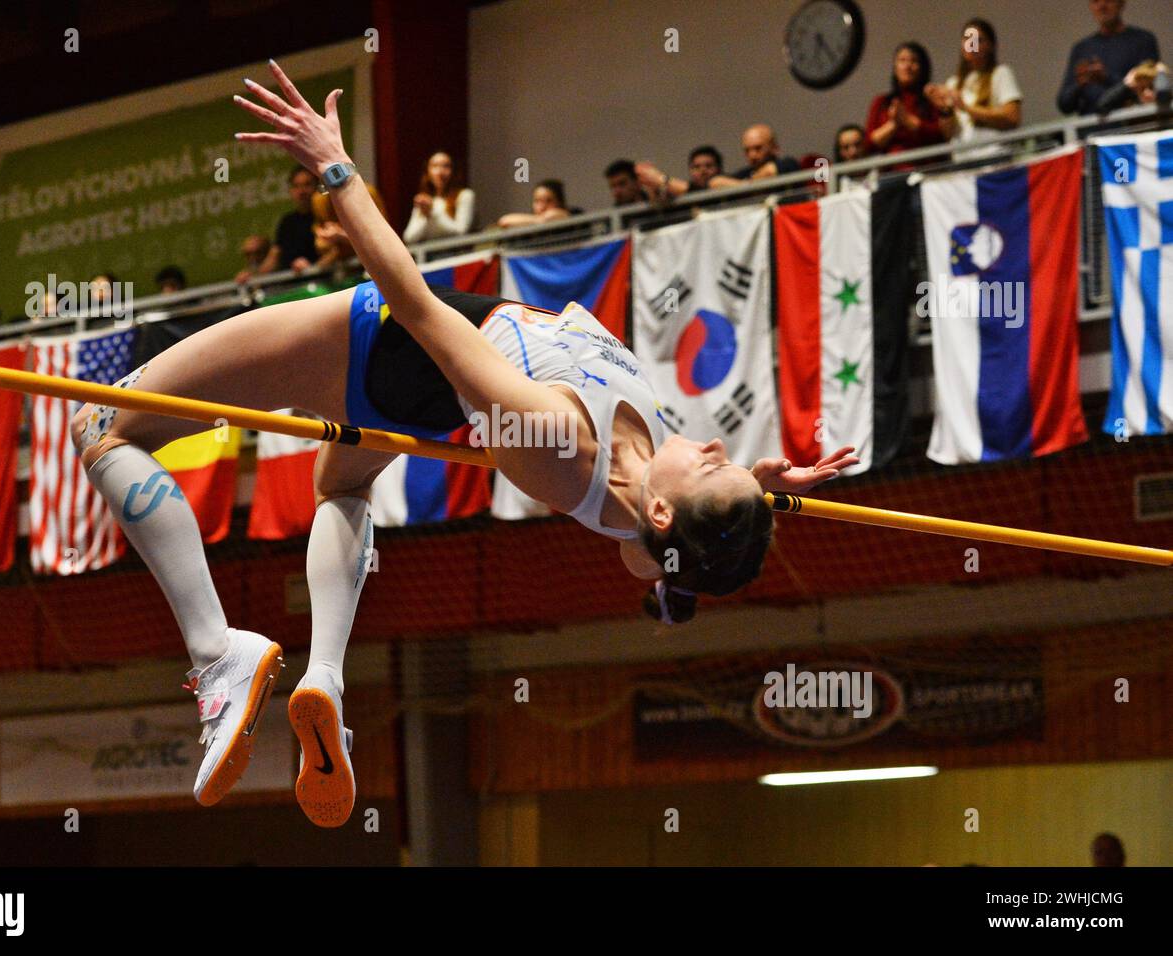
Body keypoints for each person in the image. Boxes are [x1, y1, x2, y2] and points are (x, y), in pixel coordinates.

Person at [70, 65, 856, 828]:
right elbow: (665, 565)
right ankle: (326, 680)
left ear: (658, 505)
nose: (717, 441)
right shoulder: (645, 525)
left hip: (381, 342)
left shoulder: (553, 436)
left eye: (715, 462)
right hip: (424, 392)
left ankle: (218, 652)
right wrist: (746, 492)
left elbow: (413, 300)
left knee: (101, 426)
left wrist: (333, 168)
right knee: (340, 489)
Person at [930, 19, 1022, 156]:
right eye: (967, 39)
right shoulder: (953, 83)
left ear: (991, 46)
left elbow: (1012, 118)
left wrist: (966, 108)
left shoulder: (1000, 74)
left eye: (978, 40)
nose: (971, 45)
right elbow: (948, 135)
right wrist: (945, 110)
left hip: (994, 155)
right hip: (962, 160)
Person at [1057, 0, 1160, 115]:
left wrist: (1106, 77)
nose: (1102, 6)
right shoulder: (1081, 48)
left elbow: (1147, 92)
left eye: (1108, 0)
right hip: (1089, 128)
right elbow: (1064, 105)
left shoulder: (1142, 41)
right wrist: (1080, 84)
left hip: (1130, 124)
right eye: (1095, 1)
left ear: (1121, 3)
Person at [866, 42, 949, 167]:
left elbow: (942, 136)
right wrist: (893, 124)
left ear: (922, 67)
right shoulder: (881, 102)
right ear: (895, 67)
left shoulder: (932, 98)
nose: (907, 66)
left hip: (928, 171)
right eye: (902, 60)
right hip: (891, 175)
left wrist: (909, 121)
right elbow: (868, 144)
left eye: (914, 61)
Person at [237, 166, 319, 283]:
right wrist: (252, 276)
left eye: (307, 185)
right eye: (296, 186)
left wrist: (312, 267)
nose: (301, 191)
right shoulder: (287, 222)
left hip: (322, 283)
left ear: (317, 187)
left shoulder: (326, 216)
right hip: (291, 287)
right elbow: (274, 257)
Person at [403, 151, 475, 243]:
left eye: (446, 166)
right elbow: (409, 238)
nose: (440, 172)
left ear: (454, 171)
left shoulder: (465, 195)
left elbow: (461, 231)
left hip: (456, 253)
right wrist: (426, 216)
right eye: (435, 166)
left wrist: (432, 212)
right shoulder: (425, 201)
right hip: (428, 254)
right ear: (428, 172)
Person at [711, 124, 802, 184]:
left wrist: (742, 186)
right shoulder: (746, 173)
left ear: (774, 148)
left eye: (758, 148)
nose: (752, 155)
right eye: (747, 150)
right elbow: (715, 182)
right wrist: (747, 185)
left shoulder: (788, 163)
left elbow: (769, 172)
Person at [633, 145, 724, 201]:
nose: (703, 171)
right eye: (696, 167)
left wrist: (661, 179)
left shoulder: (729, 185)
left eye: (709, 166)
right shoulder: (680, 196)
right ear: (690, 170)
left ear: (719, 169)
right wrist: (653, 186)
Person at [496, 179, 572, 229]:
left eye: (548, 201)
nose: (542, 207)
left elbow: (547, 219)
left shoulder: (565, 215)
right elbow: (504, 221)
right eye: (537, 201)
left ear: (559, 202)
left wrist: (538, 220)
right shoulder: (533, 220)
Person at [1096, 58, 1169, 110]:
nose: (1147, 93)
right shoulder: (1130, 104)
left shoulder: (1167, 103)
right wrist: (1126, 84)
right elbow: (1102, 105)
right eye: (1142, 88)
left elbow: (1163, 94)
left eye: (1151, 87)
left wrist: (1160, 72)